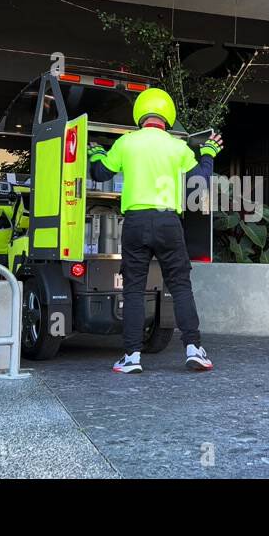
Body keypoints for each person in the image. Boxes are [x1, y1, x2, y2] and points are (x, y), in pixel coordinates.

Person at [87, 87, 224, 374]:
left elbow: (100, 174)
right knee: (180, 285)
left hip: (135, 223)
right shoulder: (178, 147)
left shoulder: (126, 142)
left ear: (140, 114)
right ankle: (193, 349)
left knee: (134, 289)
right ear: (168, 117)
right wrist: (209, 153)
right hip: (168, 223)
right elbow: (199, 181)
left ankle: (132, 357)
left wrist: (98, 154)